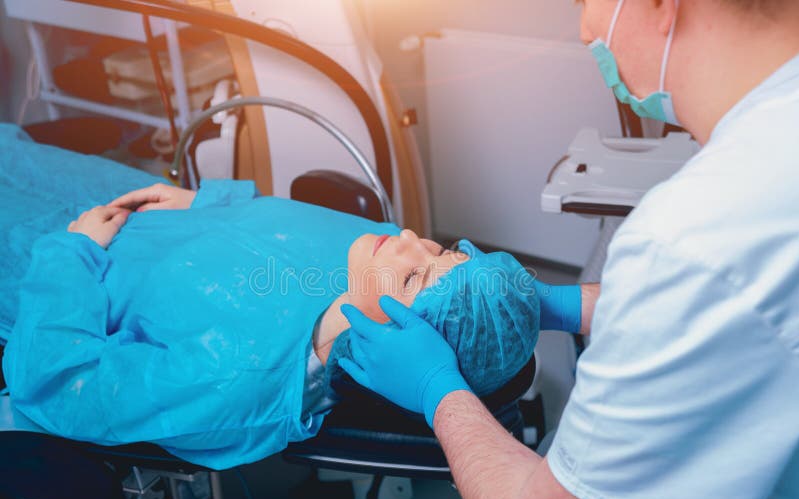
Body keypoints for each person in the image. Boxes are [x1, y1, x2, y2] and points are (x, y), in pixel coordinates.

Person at [339, 0, 799, 499]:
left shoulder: (686, 238)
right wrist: (564, 304)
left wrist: (437, 390)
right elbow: (730, 306)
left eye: (587, 2)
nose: (585, 30)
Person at [0, 126, 541, 469]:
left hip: (40, 260)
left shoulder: (237, 379)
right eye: (440, 250)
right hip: (128, 207)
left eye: (415, 278)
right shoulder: (370, 260)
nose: (406, 240)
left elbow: (59, 375)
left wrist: (70, 254)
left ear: (397, 343)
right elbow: (284, 224)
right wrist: (207, 202)